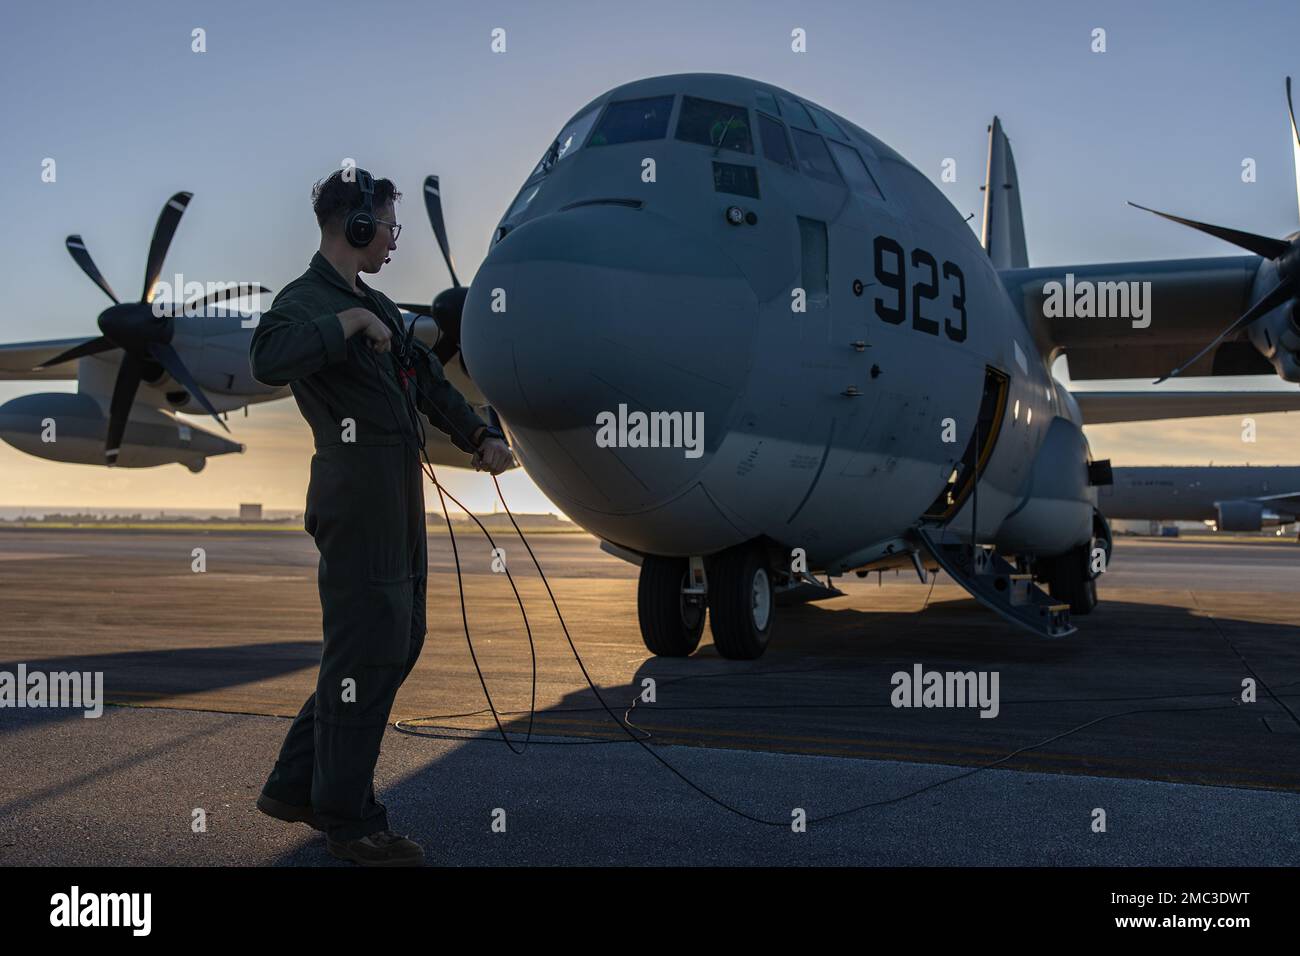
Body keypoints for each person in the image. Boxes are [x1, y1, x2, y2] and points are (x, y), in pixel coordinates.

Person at [248, 167, 513, 866]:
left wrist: (477, 434)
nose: (395, 240)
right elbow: (268, 357)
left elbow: (424, 377)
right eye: (390, 226)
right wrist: (346, 323)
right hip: (356, 502)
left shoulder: (384, 306)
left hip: (397, 496)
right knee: (366, 651)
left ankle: (296, 784)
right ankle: (350, 819)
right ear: (356, 225)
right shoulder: (307, 302)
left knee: (389, 642)